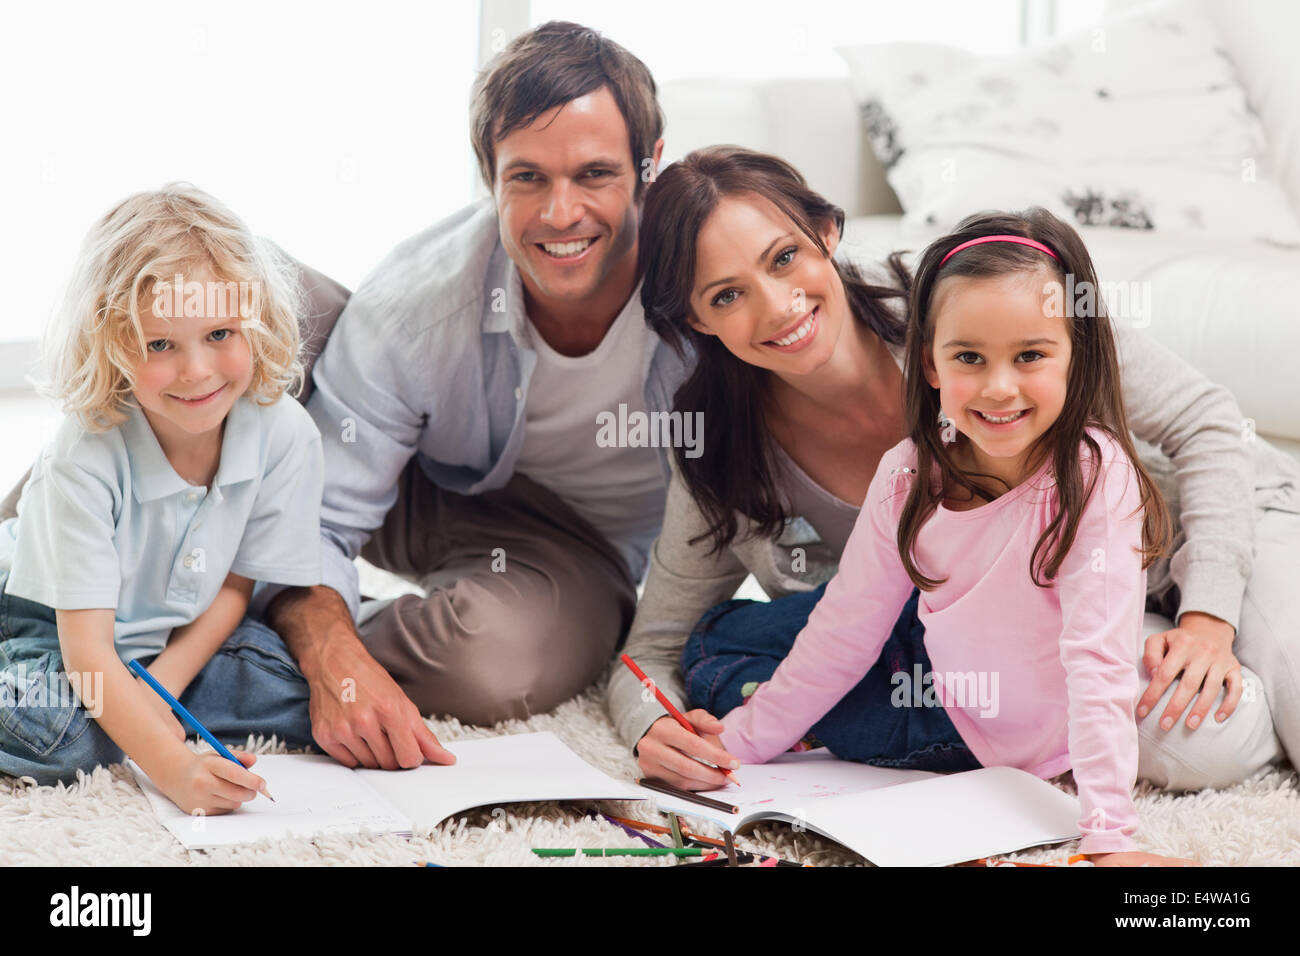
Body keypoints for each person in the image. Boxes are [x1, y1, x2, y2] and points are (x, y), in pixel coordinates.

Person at [611, 146, 1297, 803]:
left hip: (1219, 523)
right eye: (728, 295)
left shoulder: (971, 299)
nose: (776, 305)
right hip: (1076, 614)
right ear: (696, 317)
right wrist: (652, 724)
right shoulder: (723, 446)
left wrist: (1210, 616)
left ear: (826, 232)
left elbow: (1206, 422)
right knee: (1202, 740)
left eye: (784, 257)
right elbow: (655, 644)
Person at [700, 209, 1199, 865]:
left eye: (1030, 356)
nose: (998, 388)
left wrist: (1110, 839)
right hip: (931, 651)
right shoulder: (909, 467)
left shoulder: (1095, 481)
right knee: (722, 628)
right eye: (969, 357)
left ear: (1076, 356)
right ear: (930, 362)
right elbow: (846, 625)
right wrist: (737, 748)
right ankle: (753, 704)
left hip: (966, 729)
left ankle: (755, 700)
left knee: (722, 665)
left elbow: (1098, 665)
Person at [254, 21, 690, 770]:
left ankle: (206, 634)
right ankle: (39, 557)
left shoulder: (715, 284)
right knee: (209, 300)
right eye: (527, 177)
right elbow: (318, 519)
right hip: (419, 478)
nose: (560, 214)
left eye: (594, 175)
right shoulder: (420, 303)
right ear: (488, 173)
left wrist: (340, 650)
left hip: (570, 545)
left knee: (490, 664)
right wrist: (329, 652)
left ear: (650, 168)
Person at [0, 184, 327, 814]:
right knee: (67, 741)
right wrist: (175, 768)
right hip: (54, 624)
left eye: (220, 333)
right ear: (111, 343)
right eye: (159, 345)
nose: (197, 371)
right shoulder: (84, 455)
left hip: (167, 633)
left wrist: (163, 688)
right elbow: (87, 652)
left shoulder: (285, 431)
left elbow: (236, 586)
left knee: (300, 691)